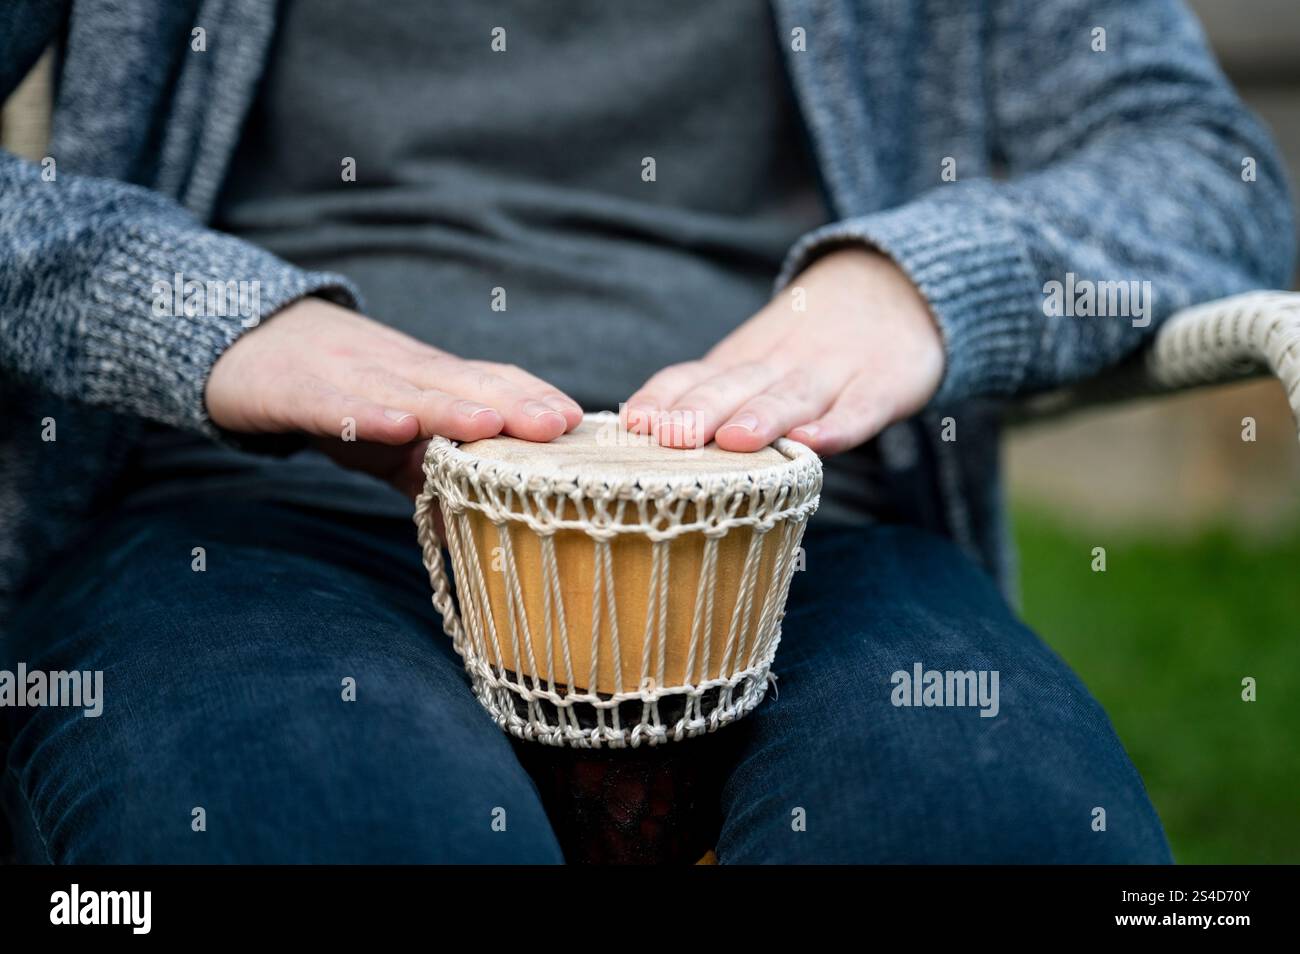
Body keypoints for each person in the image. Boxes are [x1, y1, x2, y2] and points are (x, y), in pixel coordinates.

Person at [0, 0, 1293, 863]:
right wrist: (198, 312)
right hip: (255, 516)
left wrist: (915, 285)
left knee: (997, 826)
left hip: (799, 536)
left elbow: (1206, 167)